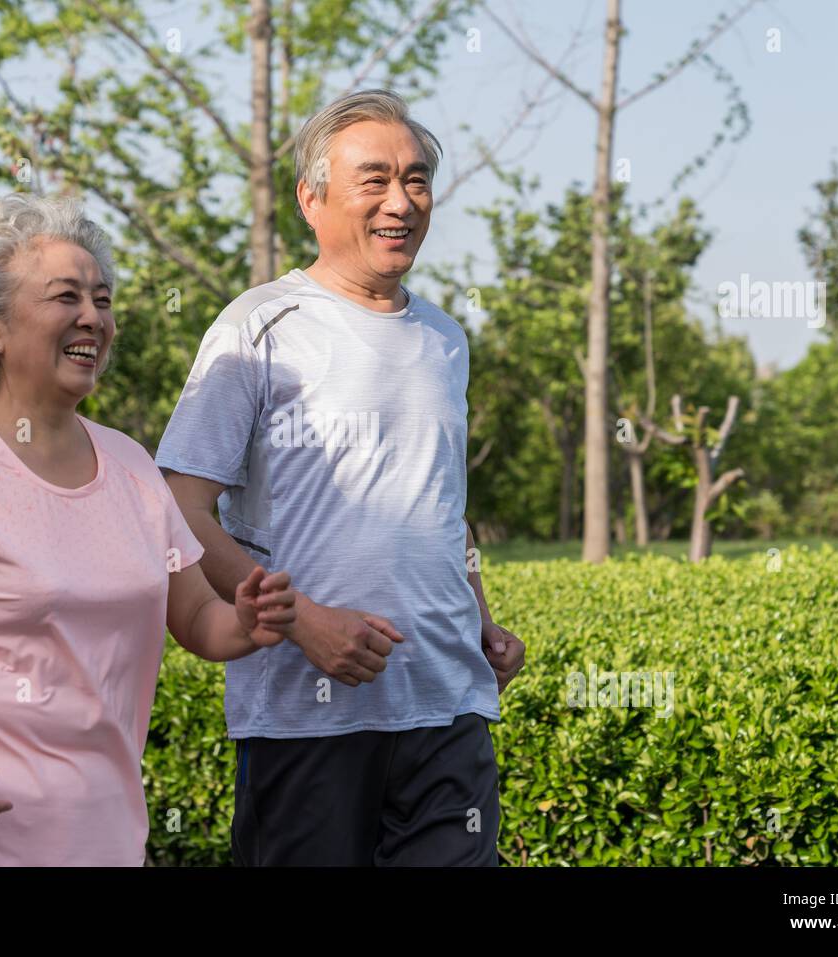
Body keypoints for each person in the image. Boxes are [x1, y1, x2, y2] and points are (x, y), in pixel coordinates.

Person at [0, 193, 296, 866]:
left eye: (102, 299)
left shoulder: (131, 465)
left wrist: (248, 623)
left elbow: (197, 620)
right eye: (66, 297)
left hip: (106, 841)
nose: (93, 318)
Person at [156, 89, 526, 866]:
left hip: (446, 708)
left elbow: (443, 508)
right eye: (376, 179)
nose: (402, 201)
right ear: (312, 197)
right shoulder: (258, 325)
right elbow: (178, 507)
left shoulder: (445, 338)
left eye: (417, 179)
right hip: (305, 718)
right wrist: (302, 620)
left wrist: (481, 620)